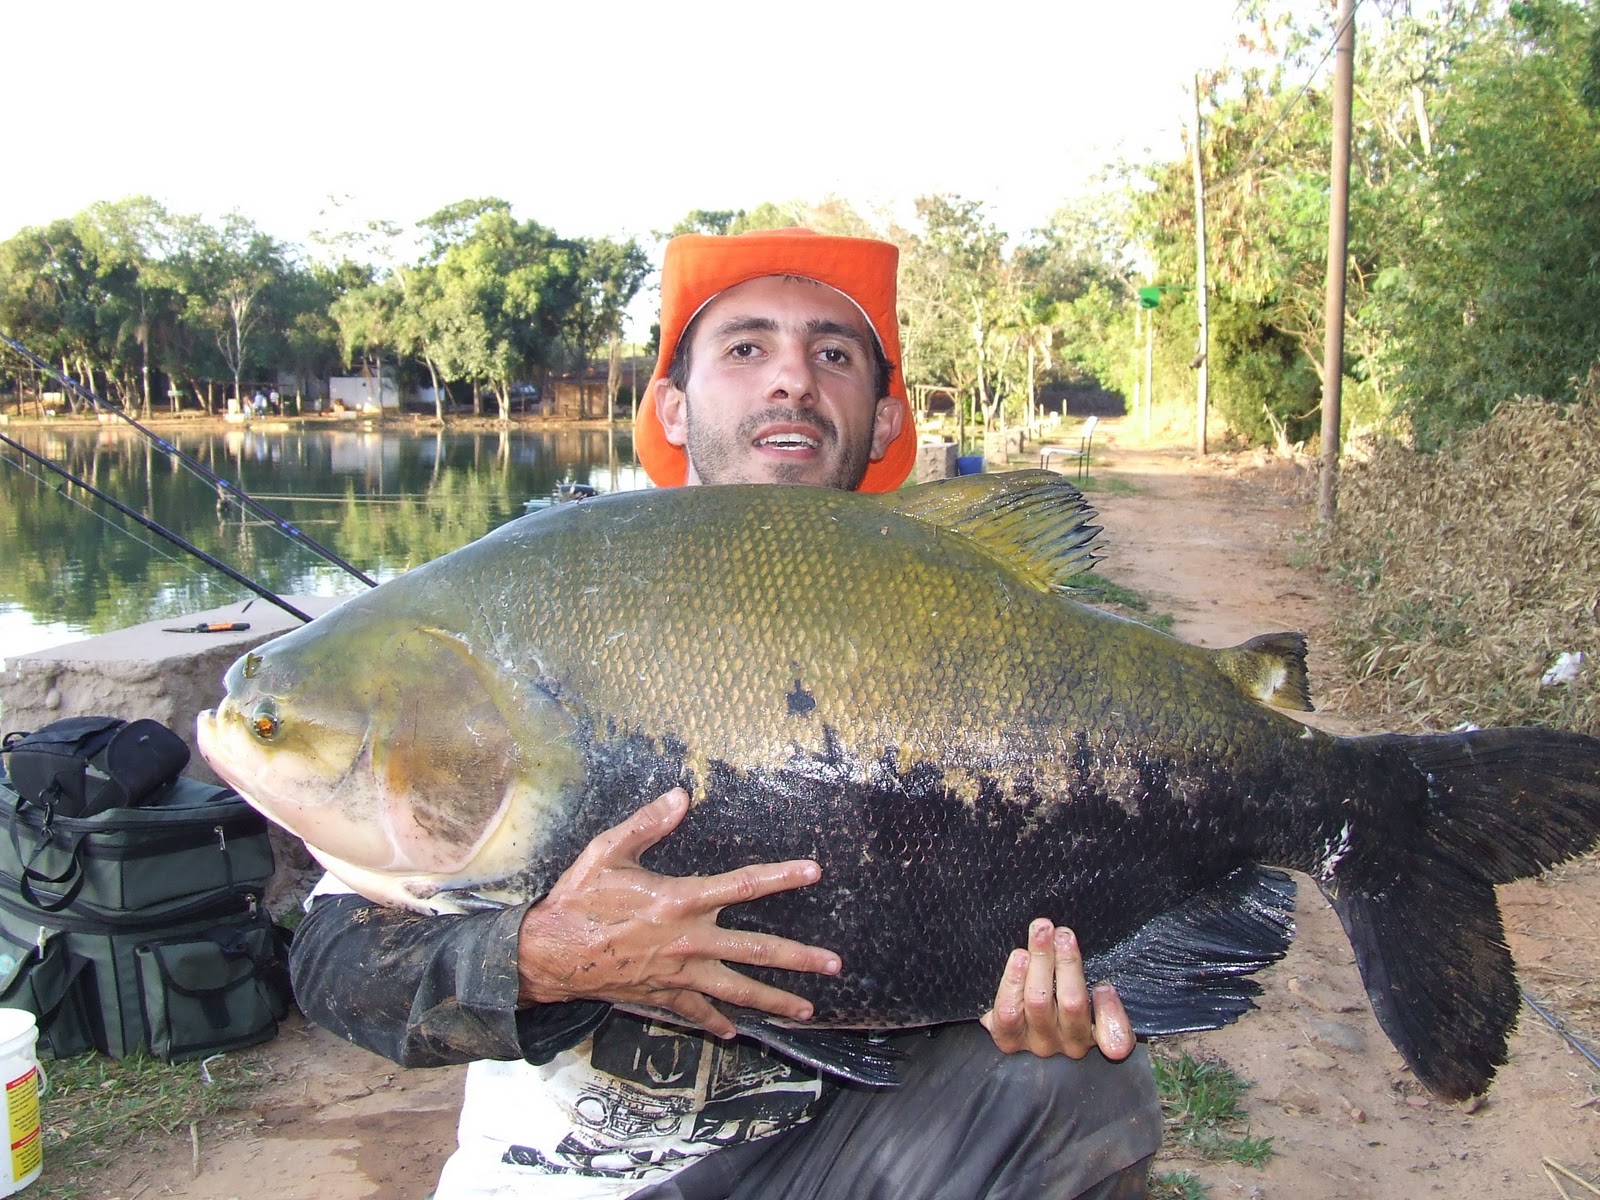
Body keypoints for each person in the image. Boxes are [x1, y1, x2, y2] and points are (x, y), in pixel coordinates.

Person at [291, 228, 1163, 1200]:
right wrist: (539, 959)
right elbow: (333, 959)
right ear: (671, 403)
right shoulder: (539, 598)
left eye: (833, 353)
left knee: (1078, 1084)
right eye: (745, 347)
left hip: (852, 1162)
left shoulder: (944, 614)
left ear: (882, 420)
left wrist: (1042, 987)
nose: (790, 379)